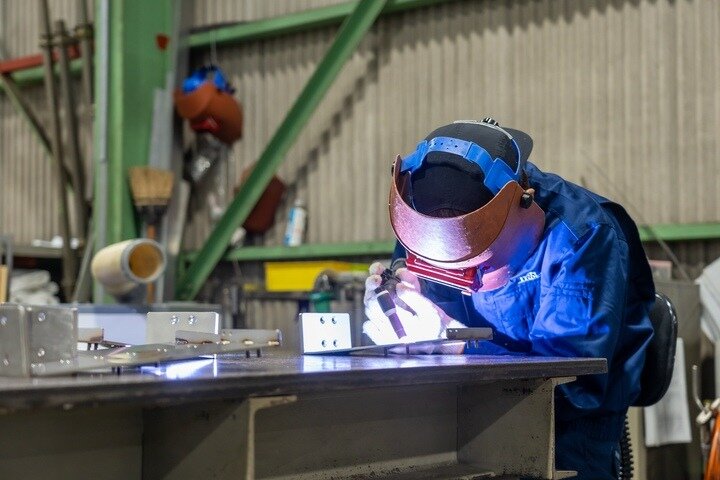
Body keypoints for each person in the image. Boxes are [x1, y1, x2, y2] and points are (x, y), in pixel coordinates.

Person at [363, 118, 655, 479]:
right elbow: (408, 275)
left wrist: (453, 344)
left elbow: (570, 382)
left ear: (521, 205)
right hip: (461, 413)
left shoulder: (580, 236)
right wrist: (393, 294)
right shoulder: (421, 212)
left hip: (569, 432)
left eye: (471, 256)